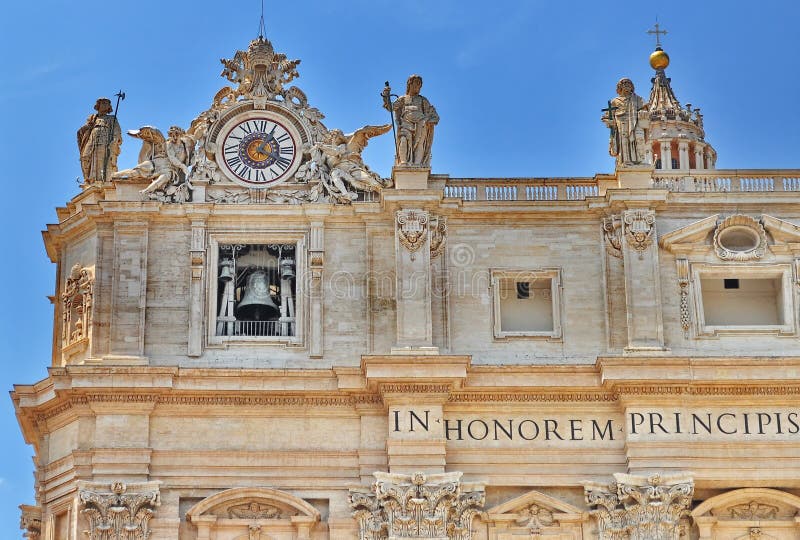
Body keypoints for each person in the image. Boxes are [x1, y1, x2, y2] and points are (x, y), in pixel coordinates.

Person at [386, 75, 439, 167]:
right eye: (416, 83)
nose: (418, 86)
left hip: (421, 123)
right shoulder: (403, 98)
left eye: (420, 84)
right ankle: (403, 163)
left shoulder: (423, 100)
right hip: (405, 122)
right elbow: (391, 107)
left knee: (419, 143)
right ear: (410, 84)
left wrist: (428, 120)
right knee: (403, 139)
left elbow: (432, 114)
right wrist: (386, 96)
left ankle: (417, 165)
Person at [76, 98, 122, 183]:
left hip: (104, 140)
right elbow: (81, 131)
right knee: (85, 157)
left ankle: (99, 180)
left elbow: (117, 131)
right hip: (92, 139)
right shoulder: (92, 118)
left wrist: (114, 141)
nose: (105, 105)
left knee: (101, 159)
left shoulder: (112, 118)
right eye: (103, 103)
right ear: (98, 105)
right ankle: (88, 179)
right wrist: (87, 127)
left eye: (107, 104)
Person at [607, 78, 647, 165]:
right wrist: (609, 122)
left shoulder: (638, 99)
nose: (627, 85)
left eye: (629, 83)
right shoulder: (615, 101)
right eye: (624, 83)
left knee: (638, 138)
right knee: (624, 140)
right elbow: (608, 116)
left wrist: (643, 112)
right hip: (621, 122)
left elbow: (645, 109)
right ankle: (626, 161)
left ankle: (639, 160)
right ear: (620, 87)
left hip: (635, 120)